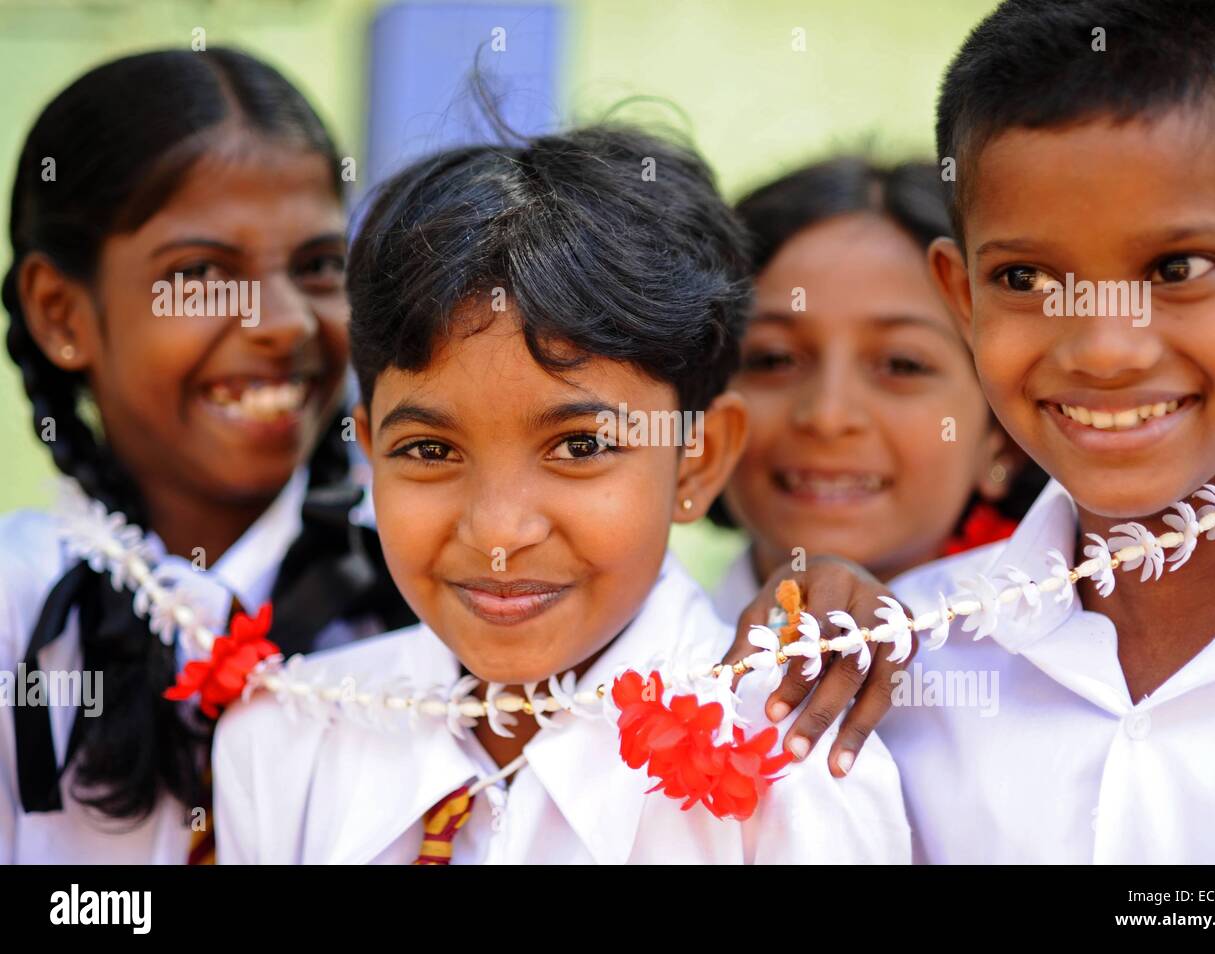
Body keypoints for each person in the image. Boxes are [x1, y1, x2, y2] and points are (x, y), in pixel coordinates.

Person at [213, 124, 912, 864]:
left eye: (580, 447)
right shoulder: (286, 743)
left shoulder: (794, 783)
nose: (498, 532)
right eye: (429, 450)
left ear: (698, 461)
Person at [730, 0, 1215, 863]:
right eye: (1027, 276)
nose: (1105, 348)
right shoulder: (885, 669)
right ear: (962, 299)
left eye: (1175, 268)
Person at [0, 48, 412, 864]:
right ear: (61, 314)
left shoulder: (426, 586)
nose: (285, 323)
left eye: (320, 267)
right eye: (200, 275)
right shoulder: (16, 609)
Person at [710, 156, 1043, 622]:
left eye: (901, 365)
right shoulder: (618, 673)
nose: (828, 416)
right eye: (774, 360)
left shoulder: (1081, 679)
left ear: (1003, 440)